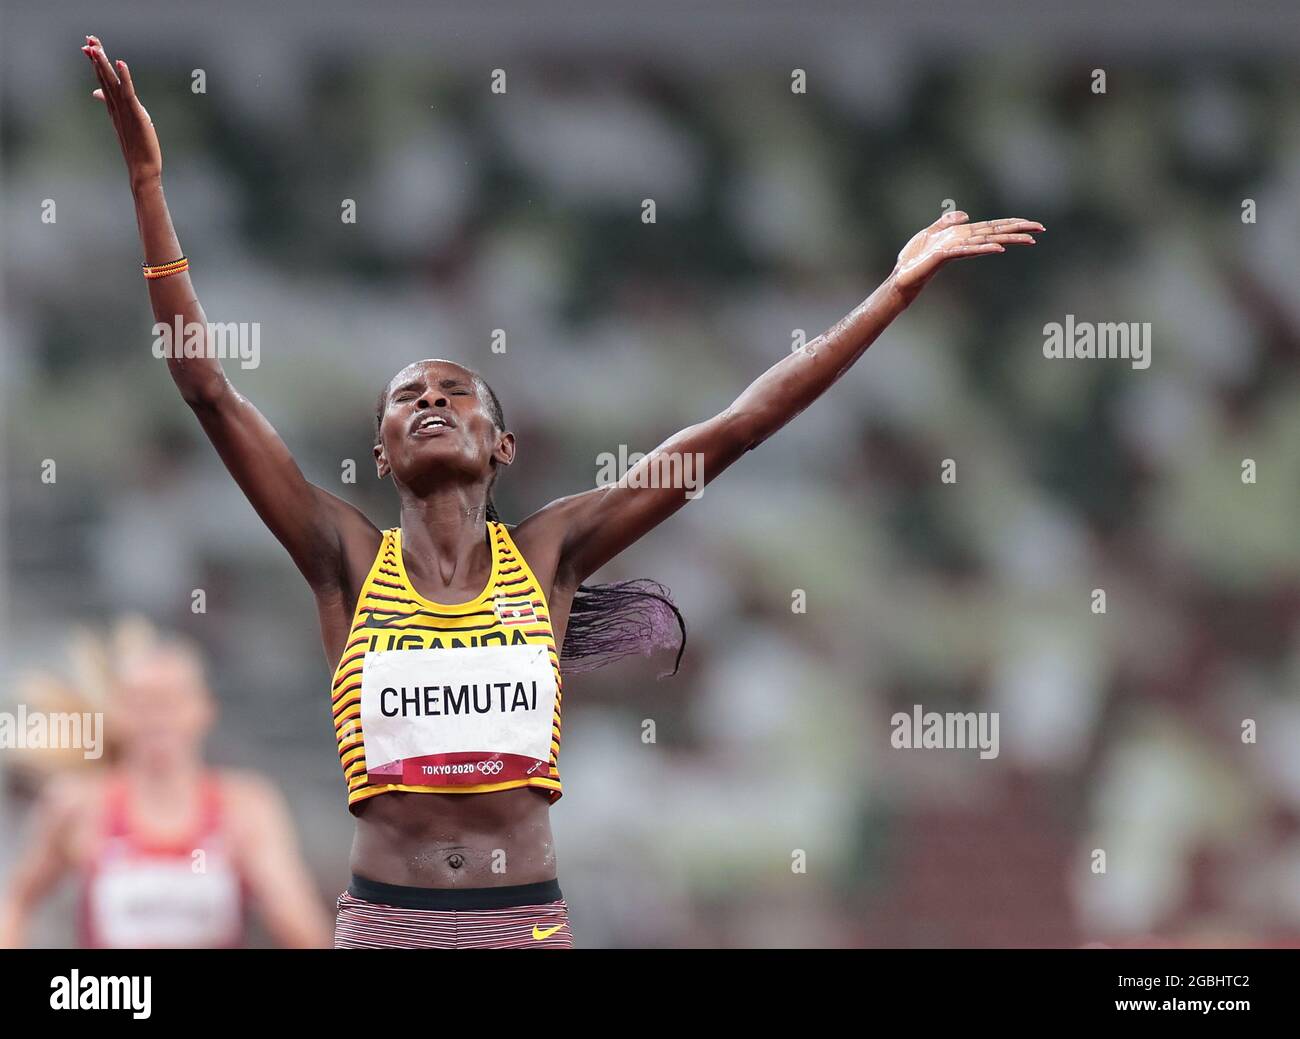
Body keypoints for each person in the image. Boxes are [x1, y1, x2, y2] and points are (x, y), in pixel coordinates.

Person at [79, 34, 1041, 948]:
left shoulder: (549, 557)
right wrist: (147, 185)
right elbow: (206, 388)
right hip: (386, 923)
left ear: (501, 444)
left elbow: (736, 427)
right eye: (407, 395)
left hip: (521, 921)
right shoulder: (342, 558)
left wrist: (891, 293)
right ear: (378, 451)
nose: (430, 400)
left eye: (455, 391)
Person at [0, 626, 331, 948]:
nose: (158, 717)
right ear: (117, 712)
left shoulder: (245, 807)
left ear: (204, 709)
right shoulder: (78, 804)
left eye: (171, 700)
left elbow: (301, 928)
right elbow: (15, 901)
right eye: (142, 702)